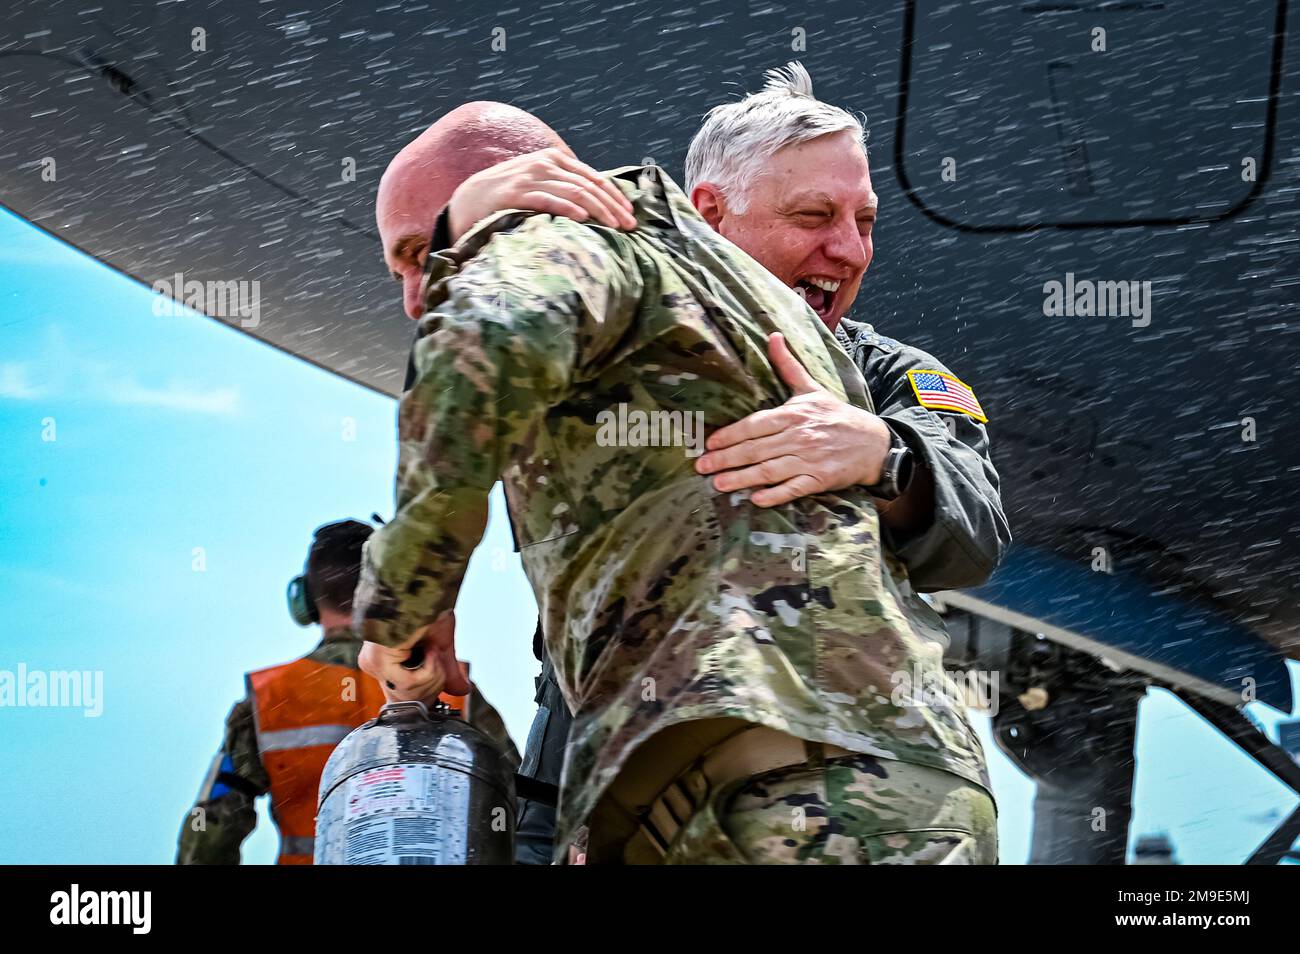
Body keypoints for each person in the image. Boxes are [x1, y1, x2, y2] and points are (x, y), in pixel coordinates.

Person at [358, 96, 998, 864]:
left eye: (862, 223)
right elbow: (480, 365)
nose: (850, 251)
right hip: (610, 757)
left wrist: (883, 455)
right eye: (813, 216)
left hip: (803, 761)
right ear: (710, 211)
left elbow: (977, 532)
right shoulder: (613, 312)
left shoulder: (877, 372)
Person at [177, 519, 516, 864]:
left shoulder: (267, 699)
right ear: (388, 593)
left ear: (305, 600)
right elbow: (525, 803)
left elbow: (209, 834)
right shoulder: (450, 684)